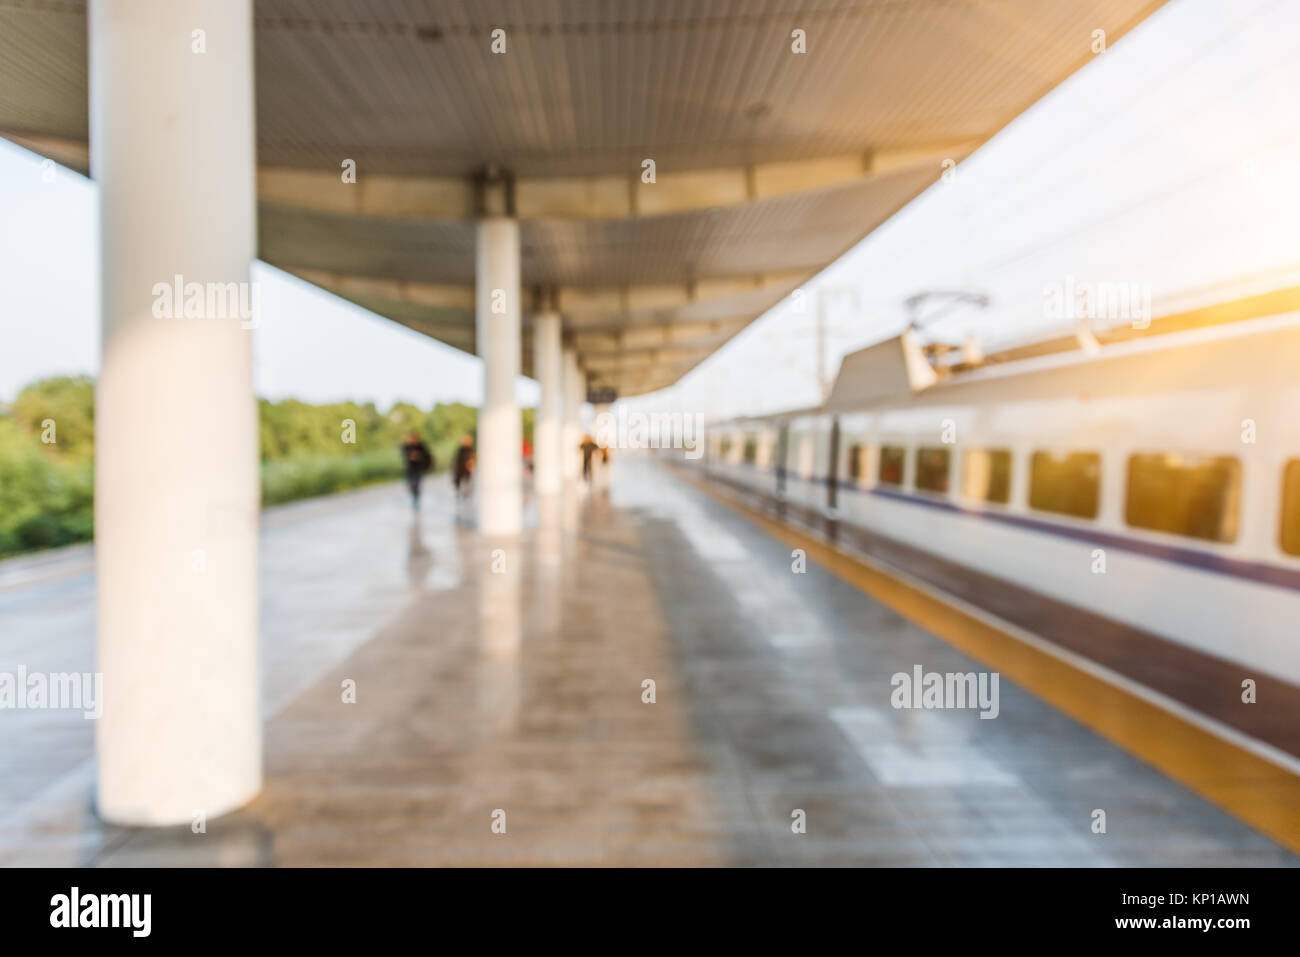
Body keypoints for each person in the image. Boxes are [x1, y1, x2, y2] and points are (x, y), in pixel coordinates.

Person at [400, 432, 434, 507]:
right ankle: (414, 496)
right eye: (411, 438)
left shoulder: (421, 446)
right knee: (411, 485)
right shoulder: (408, 446)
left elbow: (428, 456)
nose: (413, 440)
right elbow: (404, 453)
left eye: (414, 438)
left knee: (417, 484)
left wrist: (420, 456)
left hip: (419, 468)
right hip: (410, 469)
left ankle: (416, 499)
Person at [453, 434, 475, 499]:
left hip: (467, 468)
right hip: (460, 468)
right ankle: (460, 493)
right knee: (460, 482)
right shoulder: (460, 449)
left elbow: (472, 459)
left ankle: (465, 493)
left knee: (466, 481)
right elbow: (456, 459)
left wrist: (470, 466)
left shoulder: (470, 450)